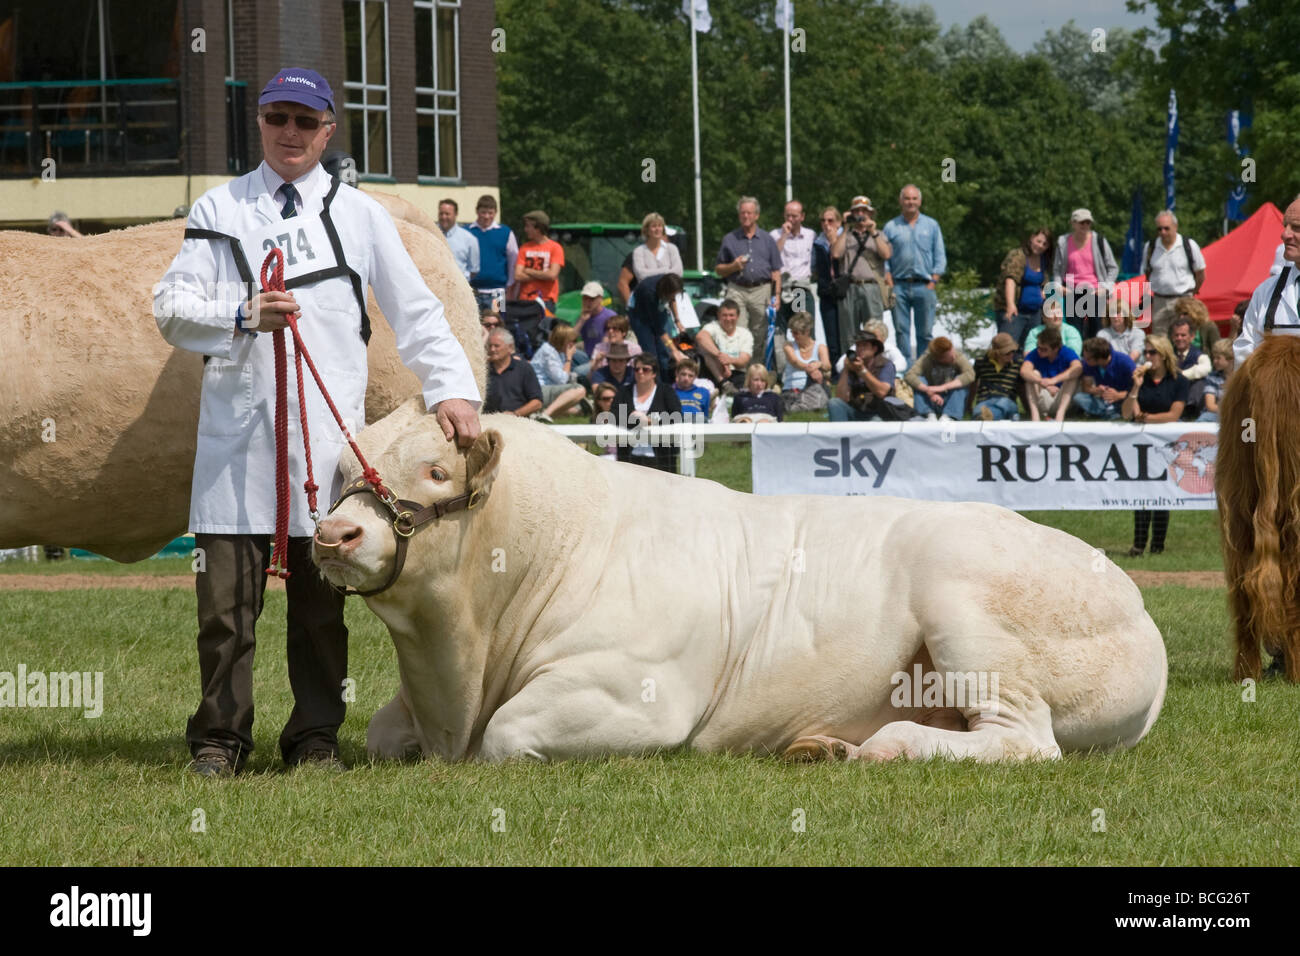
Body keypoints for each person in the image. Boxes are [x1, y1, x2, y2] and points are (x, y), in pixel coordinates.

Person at [154, 67, 480, 777]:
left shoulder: (361, 216)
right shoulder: (219, 208)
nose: (291, 133)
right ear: (261, 124)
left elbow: (418, 312)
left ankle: (315, 740)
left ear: (328, 130)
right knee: (225, 615)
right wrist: (242, 315)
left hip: (325, 453)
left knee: (320, 615)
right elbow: (171, 309)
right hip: (234, 449)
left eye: (306, 121)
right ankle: (219, 740)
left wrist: (454, 389)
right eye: (278, 118)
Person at [1122, 334, 1188, 556]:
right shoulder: (1141, 380)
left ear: (1163, 354)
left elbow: (1174, 414)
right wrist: (1135, 388)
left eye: (1152, 352)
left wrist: (1145, 418)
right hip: (1141, 445)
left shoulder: (1178, 380)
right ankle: (1139, 544)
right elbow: (1127, 413)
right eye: (1146, 352)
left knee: (1162, 495)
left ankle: (1158, 546)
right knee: (1141, 494)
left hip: (1166, 445)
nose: (1148, 357)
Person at [883, 184, 946, 366]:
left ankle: (923, 368)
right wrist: (889, 280)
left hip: (924, 285)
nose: (910, 202)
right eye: (907, 199)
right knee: (901, 330)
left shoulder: (932, 225)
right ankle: (905, 368)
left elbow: (940, 255)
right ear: (900, 201)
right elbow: (884, 258)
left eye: (914, 198)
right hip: (899, 285)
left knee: (925, 331)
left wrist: (933, 281)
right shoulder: (891, 226)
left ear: (920, 201)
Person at [714, 196, 782, 364]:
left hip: (762, 289)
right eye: (743, 213)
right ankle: (739, 371)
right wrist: (733, 266)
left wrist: (777, 295)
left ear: (756, 215)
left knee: (759, 332)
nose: (746, 216)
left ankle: (756, 371)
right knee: (738, 330)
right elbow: (718, 270)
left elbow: (776, 270)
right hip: (737, 288)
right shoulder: (729, 239)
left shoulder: (767, 239)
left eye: (749, 213)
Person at [1235, 195, 1300, 366]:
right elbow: (1244, 352)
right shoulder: (1265, 292)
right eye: (1285, 226)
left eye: (1296, 228)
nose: (1285, 234)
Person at [832, 195, 892, 352]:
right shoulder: (846, 234)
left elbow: (886, 254)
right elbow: (836, 254)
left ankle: (875, 365)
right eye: (857, 211)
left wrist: (873, 231)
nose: (860, 215)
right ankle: (850, 365)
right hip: (849, 287)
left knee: (874, 330)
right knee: (848, 332)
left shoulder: (878, 234)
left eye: (864, 211)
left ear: (870, 214)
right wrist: (845, 227)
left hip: (871, 287)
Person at [1052, 208, 1117, 339]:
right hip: (1072, 292)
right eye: (1082, 222)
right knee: (1075, 332)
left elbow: (1113, 267)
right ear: (1073, 223)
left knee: (1098, 331)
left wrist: (1105, 287)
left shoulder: (1099, 240)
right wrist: (1059, 286)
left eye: (1088, 222)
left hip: (1095, 292)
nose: (1085, 225)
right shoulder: (1063, 242)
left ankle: (1096, 358)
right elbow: (1057, 269)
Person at [614, 354, 682, 472]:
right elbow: (614, 415)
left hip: (661, 457)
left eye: (645, 369)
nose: (640, 372)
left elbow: (676, 417)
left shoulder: (666, 391)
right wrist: (633, 419)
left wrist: (650, 421)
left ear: (654, 373)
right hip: (629, 456)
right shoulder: (624, 391)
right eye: (637, 369)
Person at [1143, 210, 1206, 337]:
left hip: (1183, 300)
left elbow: (1200, 274)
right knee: (1159, 342)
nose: (1163, 232)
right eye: (1159, 229)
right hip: (1159, 300)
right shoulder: (1150, 246)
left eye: (1166, 228)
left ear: (1175, 227)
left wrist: (1192, 293)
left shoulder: (1189, 245)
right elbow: (1148, 272)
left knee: (1183, 338)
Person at [830, 331, 909, 422]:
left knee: (875, 421)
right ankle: (840, 435)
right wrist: (846, 370)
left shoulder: (886, 365)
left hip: (879, 413)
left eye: (864, 345)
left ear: (874, 349)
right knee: (834, 403)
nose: (860, 349)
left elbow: (882, 392)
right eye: (858, 346)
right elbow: (841, 397)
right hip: (857, 410)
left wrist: (862, 371)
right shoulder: (853, 366)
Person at [995, 228, 1052, 348]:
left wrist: (1043, 292)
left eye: (1045, 244)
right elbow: (1010, 280)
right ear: (1031, 238)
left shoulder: (1043, 260)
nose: (1040, 246)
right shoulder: (1018, 255)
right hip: (1015, 311)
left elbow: (1044, 282)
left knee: (1030, 348)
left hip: (1035, 313)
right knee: (1006, 347)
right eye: (1038, 241)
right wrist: (1010, 305)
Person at [628, 271, 688, 376]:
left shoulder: (669, 282)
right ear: (665, 291)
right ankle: (656, 382)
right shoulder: (649, 292)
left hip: (658, 308)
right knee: (651, 353)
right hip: (639, 313)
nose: (673, 296)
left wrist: (677, 321)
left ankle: (666, 381)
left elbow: (672, 299)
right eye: (671, 294)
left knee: (664, 350)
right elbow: (659, 329)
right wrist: (674, 350)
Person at [467, 194, 518, 311]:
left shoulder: (506, 233)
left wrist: (510, 288)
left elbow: (513, 262)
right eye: (483, 212)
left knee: (498, 323)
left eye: (490, 213)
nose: (486, 216)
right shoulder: (467, 232)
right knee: (475, 325)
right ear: (477, 211)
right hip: (473, 292)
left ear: (495, 213)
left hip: (499, 292)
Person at [1020, 326, 1082, 422]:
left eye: (1044, 349)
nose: (1039, 351)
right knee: (1033, 375)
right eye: (1038, 347)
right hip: (1044, 395)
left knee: (1073, 377)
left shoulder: (1067, 352)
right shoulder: (1035, 353)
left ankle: (1060, 414)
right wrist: (1042, 382)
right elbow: (1024, 371)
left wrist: (1054, 380)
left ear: (1056, 348)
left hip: (1062, 396)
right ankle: (1035, 415)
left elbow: (1078, 368)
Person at [905, 336, 975, 421]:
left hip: (951, 400)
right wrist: (928, 390)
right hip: (931, 399)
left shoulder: (958, 356)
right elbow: (909, 375)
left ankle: (950, 416)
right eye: (949, 356)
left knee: (961, 383)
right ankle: (927, 415)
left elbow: (970, 374)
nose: (953, 356)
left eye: (952, 351)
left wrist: (943, 387)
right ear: (939, 358)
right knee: (919, 380)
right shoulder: (927, 359)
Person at [530, 324, 590, 421]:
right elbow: (561, 380)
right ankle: (545, 414)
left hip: (548, 388)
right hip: (539, 390)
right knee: (579, 390)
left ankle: (539, 413)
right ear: (563, 340)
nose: (574, 344)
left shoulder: (558, 352)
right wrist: (569, 358)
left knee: (578, 406)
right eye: (573, 341)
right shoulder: (548, 352)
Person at [695, 299, 754, 393]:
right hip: (714, 372)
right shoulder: (713, 326)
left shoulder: (745, 334)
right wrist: (722, 358)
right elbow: (700, 337)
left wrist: (730, 360)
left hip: (736, 372)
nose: (728, 319)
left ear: (737, 316)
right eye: (724, 315)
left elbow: (744, 361)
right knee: (705, 351)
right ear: (718, 315)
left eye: (731, 315)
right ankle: (724, 384)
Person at [1072, 337, 1136, 420]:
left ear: (1100, 358)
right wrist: (1096, 390)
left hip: (1124, 400)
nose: (1084, 360)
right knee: (1078, 397)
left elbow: (1138, 389)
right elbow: (1086, 388)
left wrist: (1118, 395)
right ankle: (1110, 413)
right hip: (1103, 400)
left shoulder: (1125, 362)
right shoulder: (1088, 364)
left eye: (1087, 358)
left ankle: (1110, 413)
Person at [485, 328, 542, 418]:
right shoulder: (483, 370)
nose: (492, 349)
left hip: (518, 421)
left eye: (496, 346)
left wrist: (515, 414)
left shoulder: (524, 368)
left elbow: (537, 402)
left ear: (510, 347)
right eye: (490, 346)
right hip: (488, 420)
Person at [781, 311, 831, 413]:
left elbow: (827, 365)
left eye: (796, 333)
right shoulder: (788, 345)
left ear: (807, 331)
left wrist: (819, 364)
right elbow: (795, 362)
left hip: (813, 387)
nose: (793, 336)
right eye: (792, 332)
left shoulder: (820, 347)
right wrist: (812, 368)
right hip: (792, 388)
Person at [812, 206, 844, 361]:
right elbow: (813, 268)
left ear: (838, 222)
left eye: (830, 220)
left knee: (845, 332)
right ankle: (833, 369)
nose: (826, 224)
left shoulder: (846, 237)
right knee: (830, 333)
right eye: (823, 220)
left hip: (844, 293)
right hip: (824, 293)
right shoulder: (817, 242)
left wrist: (834, 241)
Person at [514, 209, 563, 309]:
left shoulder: (555, 248)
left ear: (538, 227)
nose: (525, 229)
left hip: (546, 300)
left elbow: (552, 275)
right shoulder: (524, 248)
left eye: (528, 226)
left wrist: (528, 271)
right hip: (525, 300)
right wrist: (543, 275)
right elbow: (518, 276)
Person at [972, 333, 1023, 421]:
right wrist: (968, 405)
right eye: (1007, 353)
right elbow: (973, 384)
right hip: (985, 399)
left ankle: (987, 417)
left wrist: (1028, 408)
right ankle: (986, 417)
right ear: (997, 352)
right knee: (978, 410)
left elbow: (1022, 388)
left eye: (1013, 351)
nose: (1011, 354)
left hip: (1006, 399)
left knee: (1003, 404)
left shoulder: (1017, 363)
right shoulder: (981, 362)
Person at [437, 197, 480, 282]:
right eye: (441, 213)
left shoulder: (469, 239)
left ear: (456, 214)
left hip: (458, 289)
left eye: (447, 214)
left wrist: (461, 279)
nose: (443, 217)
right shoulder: (430, 234)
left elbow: (474, 270)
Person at [632, 212, 684, 281]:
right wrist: (665, 270)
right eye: (654, 226)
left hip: (670, 290)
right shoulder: (639, 251)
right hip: (648, 291)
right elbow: (641, 274)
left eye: (660, 226)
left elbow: (679, 272)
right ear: (646, 230)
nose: (657, 229)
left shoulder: (672, 248)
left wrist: (652, 272)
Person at [574, 280, 616, 357]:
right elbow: (570, 338)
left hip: (605, 358)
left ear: (600, 299)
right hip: (587, 356)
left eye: (592, 299)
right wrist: (582, 320)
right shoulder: (582, 317)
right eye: (585, 299)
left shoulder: (610, 316)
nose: (588, 302)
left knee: (579, 369)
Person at [1197, 340, 1234, 422]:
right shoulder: (1212, 377)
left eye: (1218, 358)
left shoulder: (1241, 378)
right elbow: (1210, 406)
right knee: (1205, 418)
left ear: (1230, 359)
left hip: (1237, 416)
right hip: (1216, 414)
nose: (1214, 361)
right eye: (1214, 358)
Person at [673, 357, 713, 423]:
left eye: (690, 376)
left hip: (697, 423)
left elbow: (705, 415)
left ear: (695, 377)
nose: (686, 378)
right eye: (683, 374)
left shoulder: (704, 392)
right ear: (677, 373)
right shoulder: (669, 392)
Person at [589, 382, 620, 459]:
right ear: (599, 402)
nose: (611, 401)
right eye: (606, 399)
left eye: (614, 398)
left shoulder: (625, 418)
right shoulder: (594, 422)